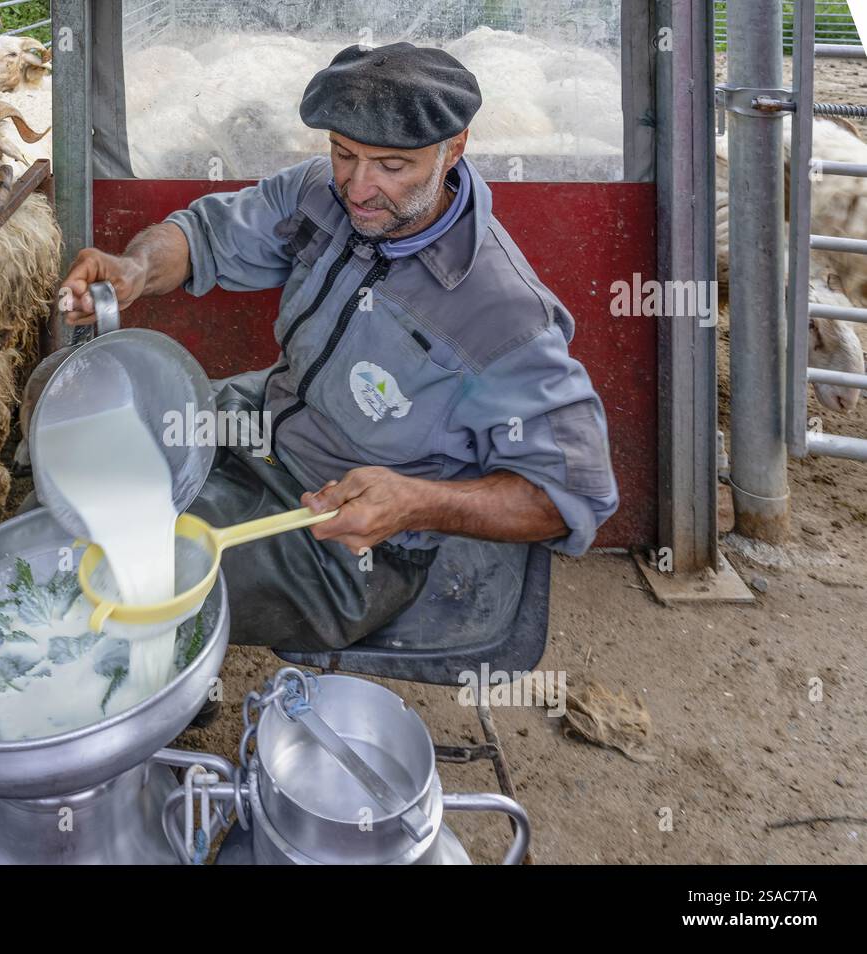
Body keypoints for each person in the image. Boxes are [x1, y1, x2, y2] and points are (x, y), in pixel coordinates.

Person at [57, 42, 618, 652]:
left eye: (391, 166)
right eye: (343, 154)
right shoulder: (320, 192)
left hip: (341, 541)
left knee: (115, 577)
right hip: (258, 425)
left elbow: (573, 497)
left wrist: (415, 504)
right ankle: (171, 667)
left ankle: (150, 680)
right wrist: (135, 267)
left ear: (452, 150)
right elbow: (204, 235)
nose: (358, 187)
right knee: (87, 463)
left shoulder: (503, 314)